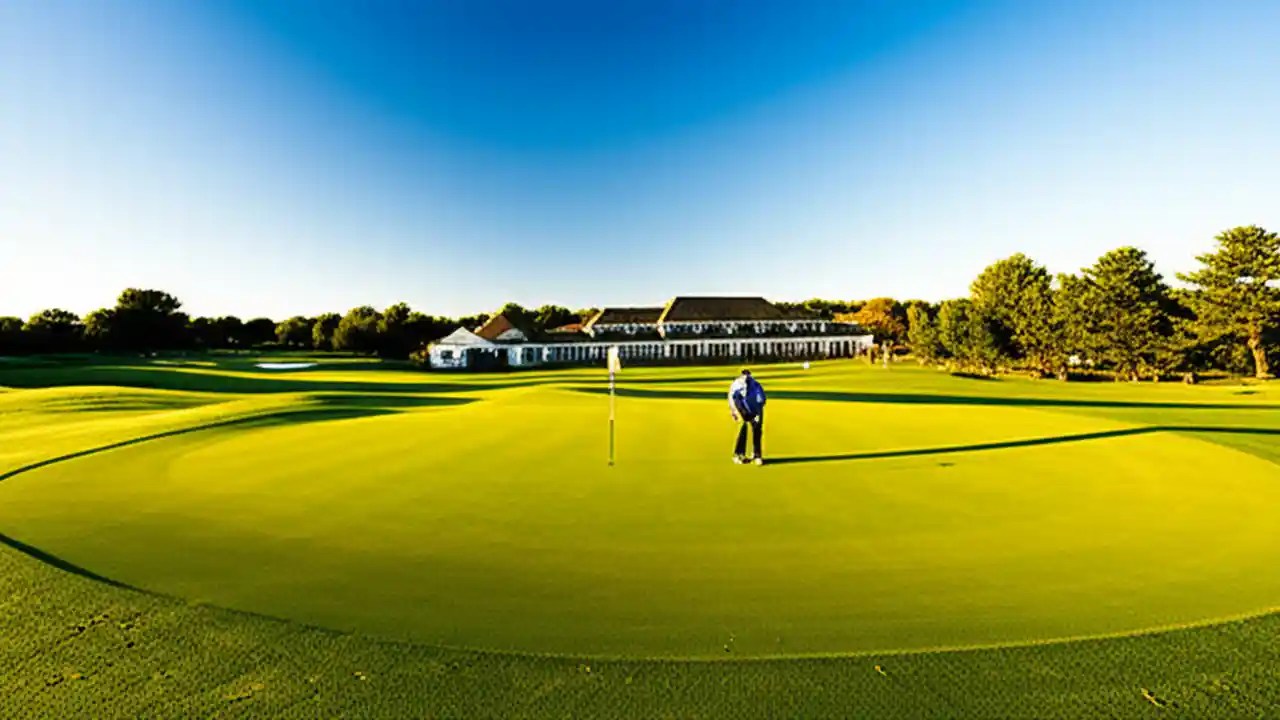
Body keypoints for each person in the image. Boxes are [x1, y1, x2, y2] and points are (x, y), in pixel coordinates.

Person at [728, 369, 766, 465]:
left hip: (755, 410)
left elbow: (762, 400)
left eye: (748, 375)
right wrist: (734, 412)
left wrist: (758, 413)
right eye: (744, 375)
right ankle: (738, 454)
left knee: (757, 430)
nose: (746, 377)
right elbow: (733, 399)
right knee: (742, 428)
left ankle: (757, 455)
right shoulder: (736, 384)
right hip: (741, 409)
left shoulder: (756, 385)